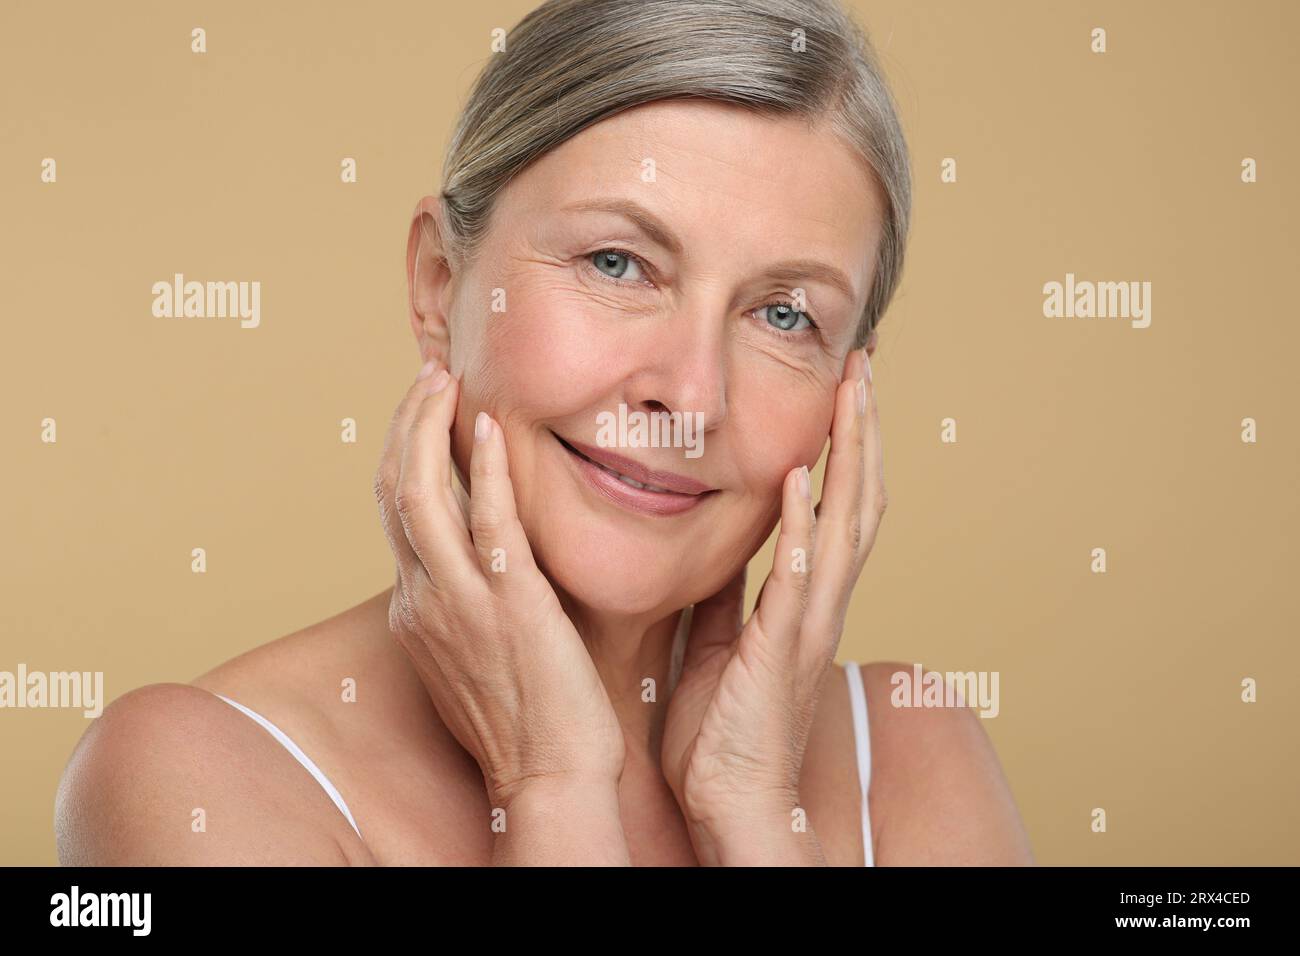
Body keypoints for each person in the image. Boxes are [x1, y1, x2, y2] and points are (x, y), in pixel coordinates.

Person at [55, 0, 1033, 866]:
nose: (691, 393)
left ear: (849, 391)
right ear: (440, 282)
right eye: (617, 262)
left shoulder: (907, 755)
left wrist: (755, 815)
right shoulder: (192, 775)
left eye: (784, 316)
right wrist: (550, 787)